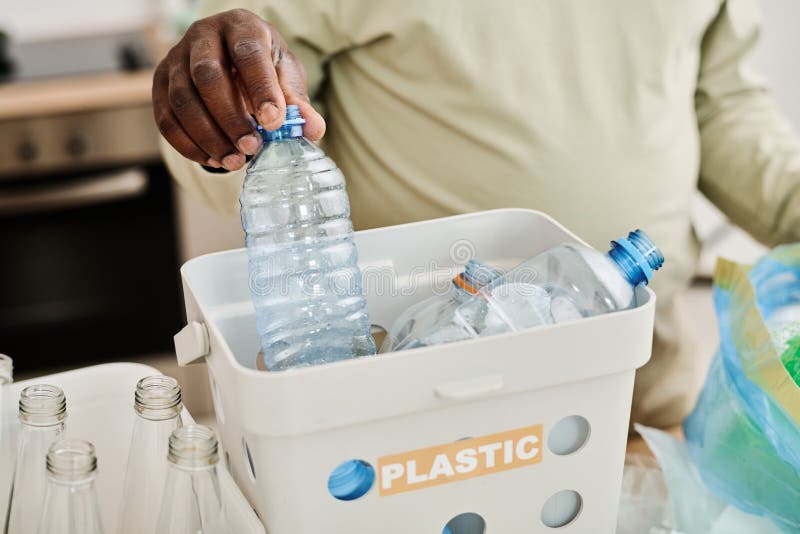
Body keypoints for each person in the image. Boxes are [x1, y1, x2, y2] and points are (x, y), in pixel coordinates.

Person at [154, 1, 800, 428]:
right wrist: (223, 121)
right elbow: (243, 100)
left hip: (640, 392)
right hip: (411, 398)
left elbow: (724, 105)